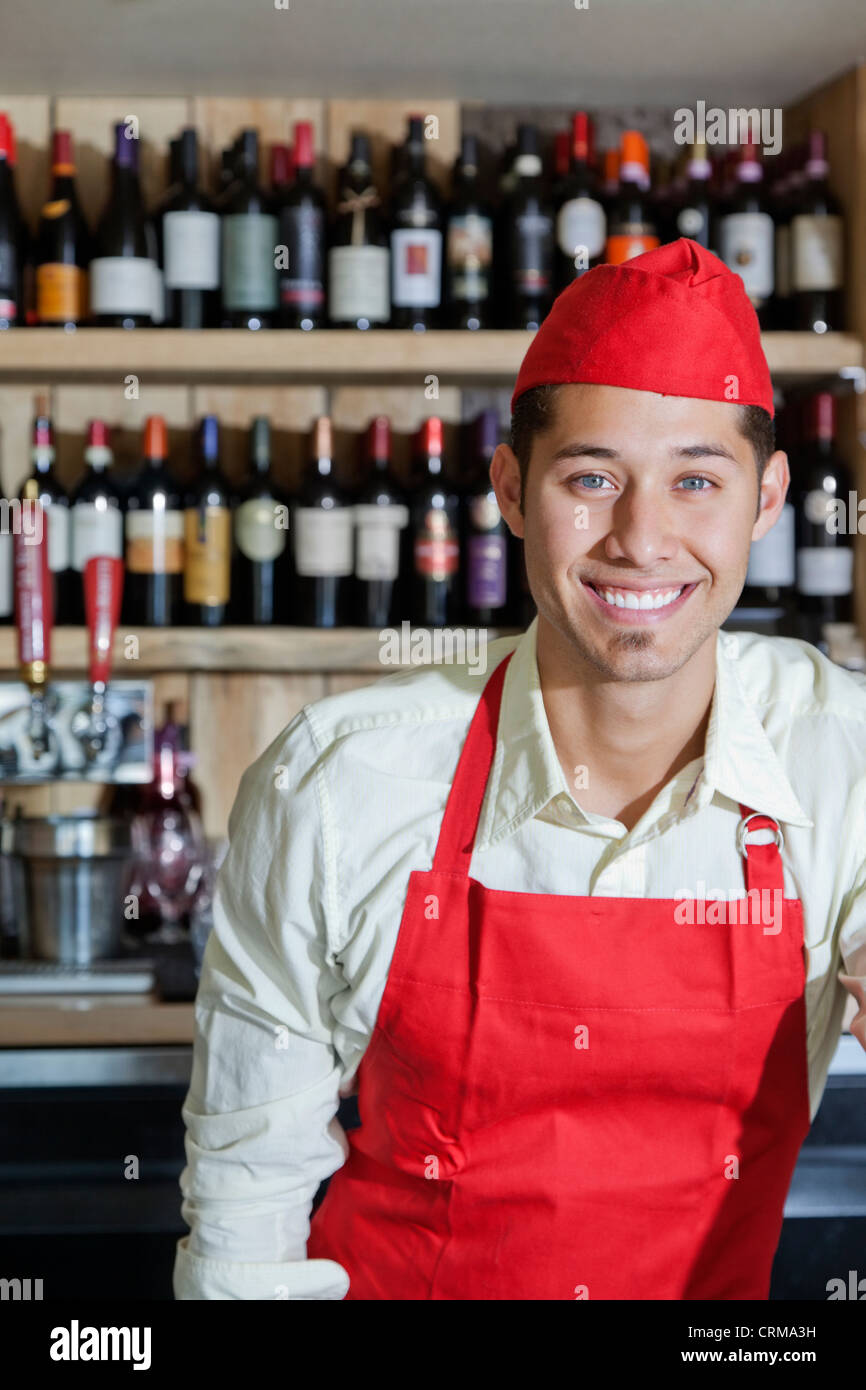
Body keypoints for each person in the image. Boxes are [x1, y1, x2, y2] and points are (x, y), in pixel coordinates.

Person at [173, 238, 866, 1300]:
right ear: (507, 488)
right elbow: (245, 1200)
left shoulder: (838, 755)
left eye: (695, 479)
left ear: (767, 498)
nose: (641, 538)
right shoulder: (338, 782)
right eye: (591, 478)